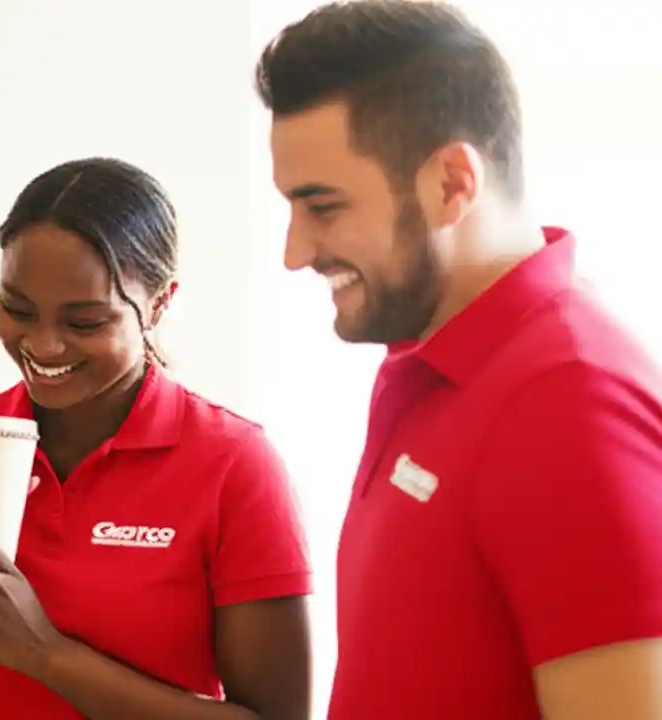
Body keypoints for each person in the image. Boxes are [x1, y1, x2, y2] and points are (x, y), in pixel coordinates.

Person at [256, 2, 662, 718]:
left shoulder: (568, 403)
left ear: (451, 184)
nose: (295, 253)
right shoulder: (437, 365)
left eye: (322, 207)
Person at [0, 157, 313, 720]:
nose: (44, 345)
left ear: (159, 303)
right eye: (17, 310)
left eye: (84, 322)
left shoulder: (234, 464)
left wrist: (45, 655)